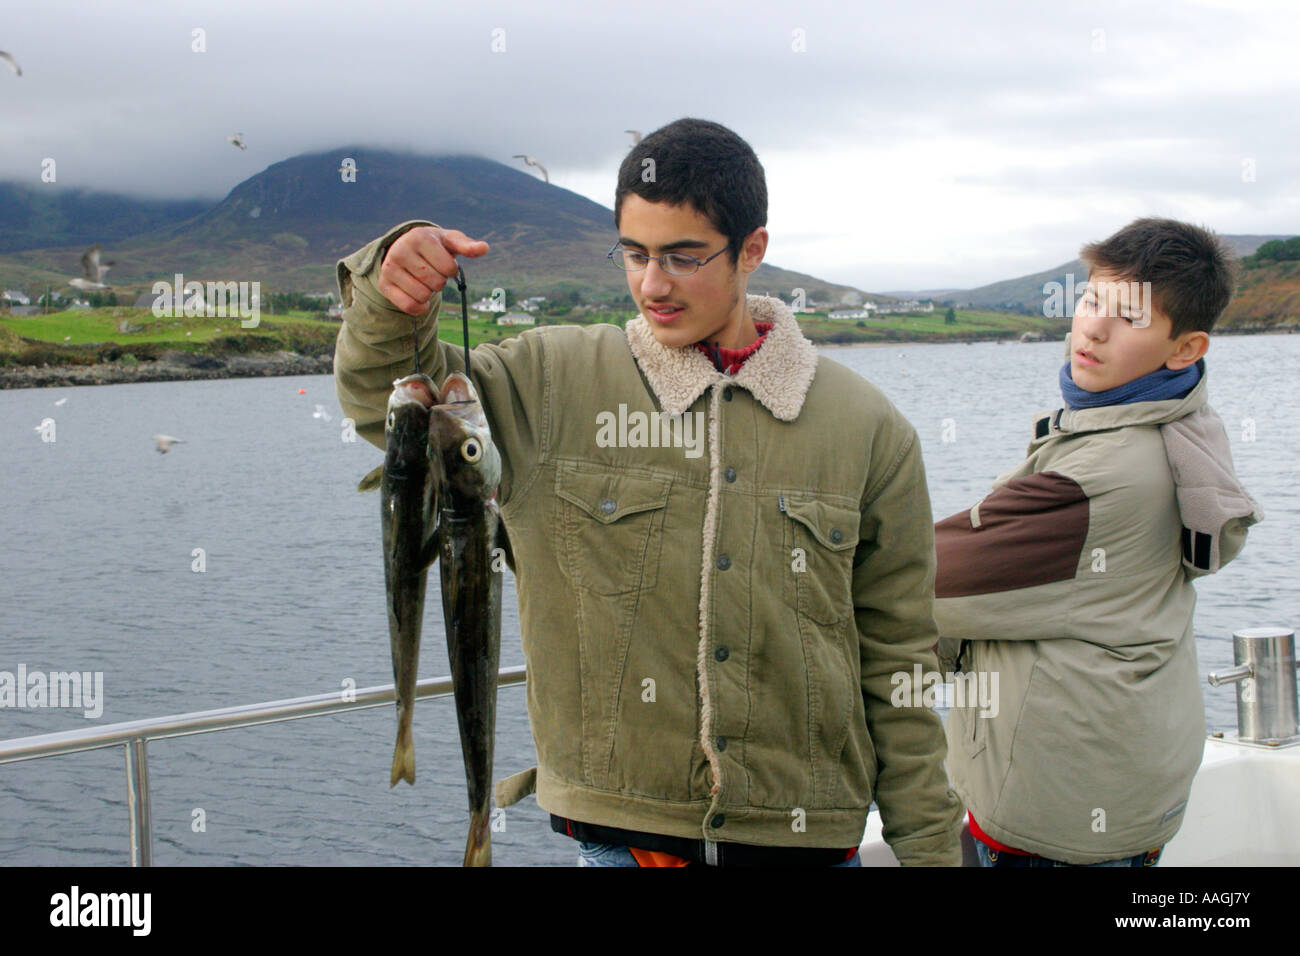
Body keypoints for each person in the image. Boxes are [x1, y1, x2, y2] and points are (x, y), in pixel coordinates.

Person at [334, 118, 963, 866]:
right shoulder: (545, 381)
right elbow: (389, 402)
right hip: (622, 847)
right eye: (633, 254)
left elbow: (898, 662)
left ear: (753, 249)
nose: (652, 285)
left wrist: (928, 850)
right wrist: (389, 288)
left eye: (682, 257)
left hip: (812, 843)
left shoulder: (870, 429)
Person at [932, 218, 1263, 867]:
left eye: (1129, 318)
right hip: (1131, 782)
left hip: (1051, 815)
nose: (1091, 328)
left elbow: (923, 580)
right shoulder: (1182, 424)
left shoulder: (1097, 477)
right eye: (1091, 300)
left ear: (1185, 348)